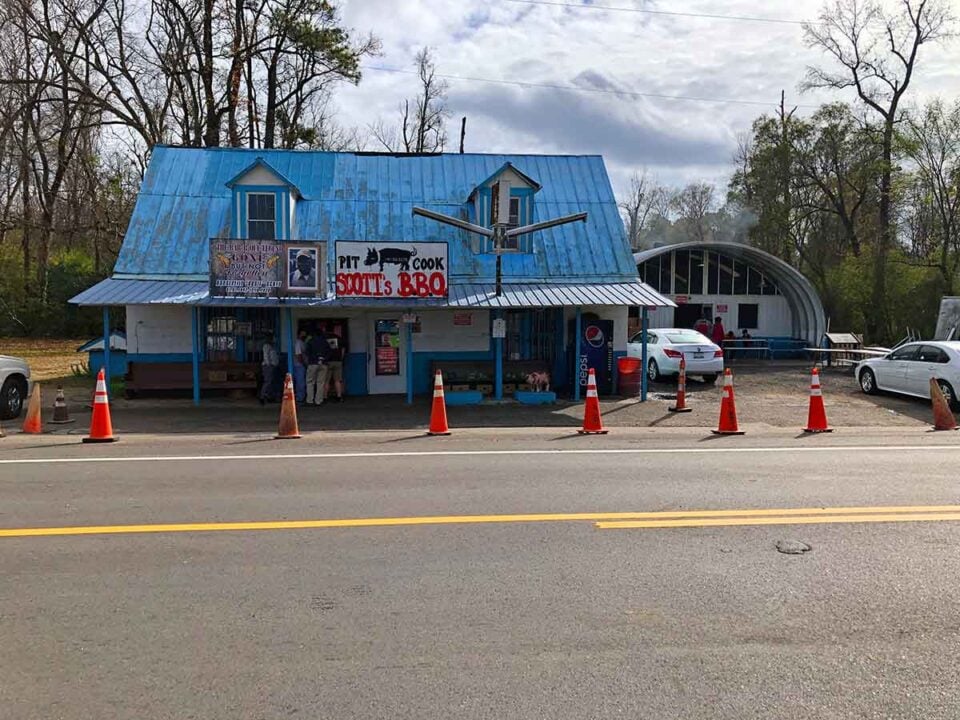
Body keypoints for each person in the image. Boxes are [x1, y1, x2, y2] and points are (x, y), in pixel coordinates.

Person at [317, 326, 345, 403]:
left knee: (326, 381)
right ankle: (339, 396)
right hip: (338, 361)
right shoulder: (339, 338)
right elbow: (343, 350)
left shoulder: (324, 339)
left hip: (328, 361)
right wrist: (341, 359)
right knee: (337, 380)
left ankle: (325, 397)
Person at [304, 330, 326, 405]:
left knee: (310, 382)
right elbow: (329, 352)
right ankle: (318, 401)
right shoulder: (325, 342)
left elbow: (307, 353)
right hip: (323, 363)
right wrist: (323, 358)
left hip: (312, 363)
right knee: (320, 383)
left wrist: (307, 363)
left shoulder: (310, 341)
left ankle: (310, 400)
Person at [259, 336, 280, 404]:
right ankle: (262, 396)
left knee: (272, 382)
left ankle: (269, 396)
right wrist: (269, 364)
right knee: (268, 381)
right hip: (268, 366)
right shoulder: (266, 346)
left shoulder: (272, 346)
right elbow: (266, 356)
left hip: (273, 366)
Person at [293, 329, 307, 402]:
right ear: (298, 335)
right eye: (302, 334)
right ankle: (300, 398)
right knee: (300, 382)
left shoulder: (302, 342)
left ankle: (301, 396)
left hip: (301, 365)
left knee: (301, 382)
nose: (304, 336)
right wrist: (303, 363)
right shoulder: (298, 343)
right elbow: (298, 355)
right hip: (299, 365)